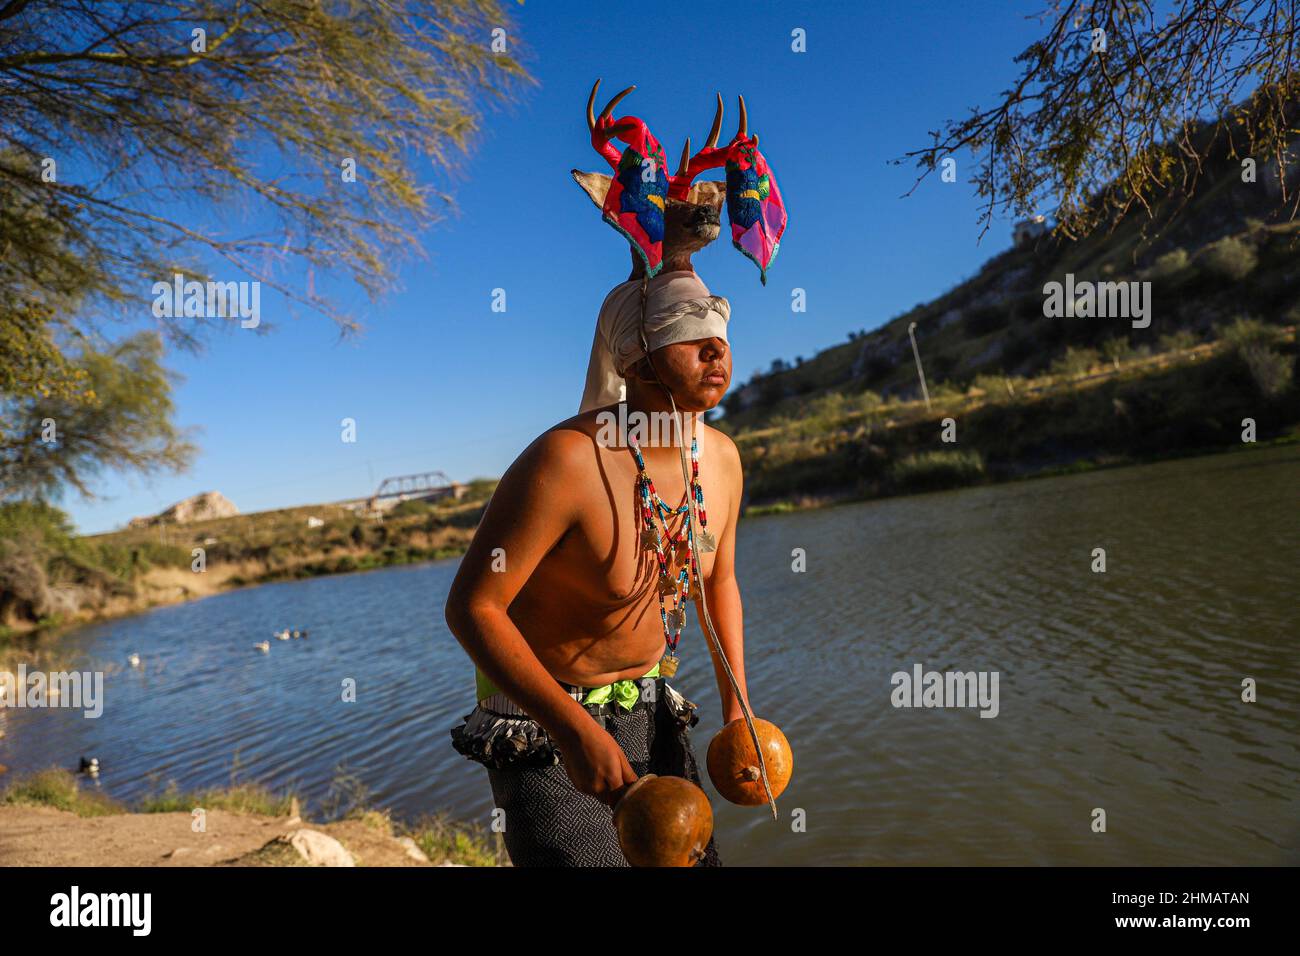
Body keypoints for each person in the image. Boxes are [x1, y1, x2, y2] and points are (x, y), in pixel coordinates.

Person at [444, 269, 750, 866]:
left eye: (721, 329)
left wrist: (737, 704)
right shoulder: (568, 460)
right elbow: (473, 608)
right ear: (635, 357)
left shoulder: (722, 460)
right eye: (690, 334)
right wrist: (569, 728)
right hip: (545, 725)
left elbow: (718, 580)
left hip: (651, 708)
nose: (717, 347)